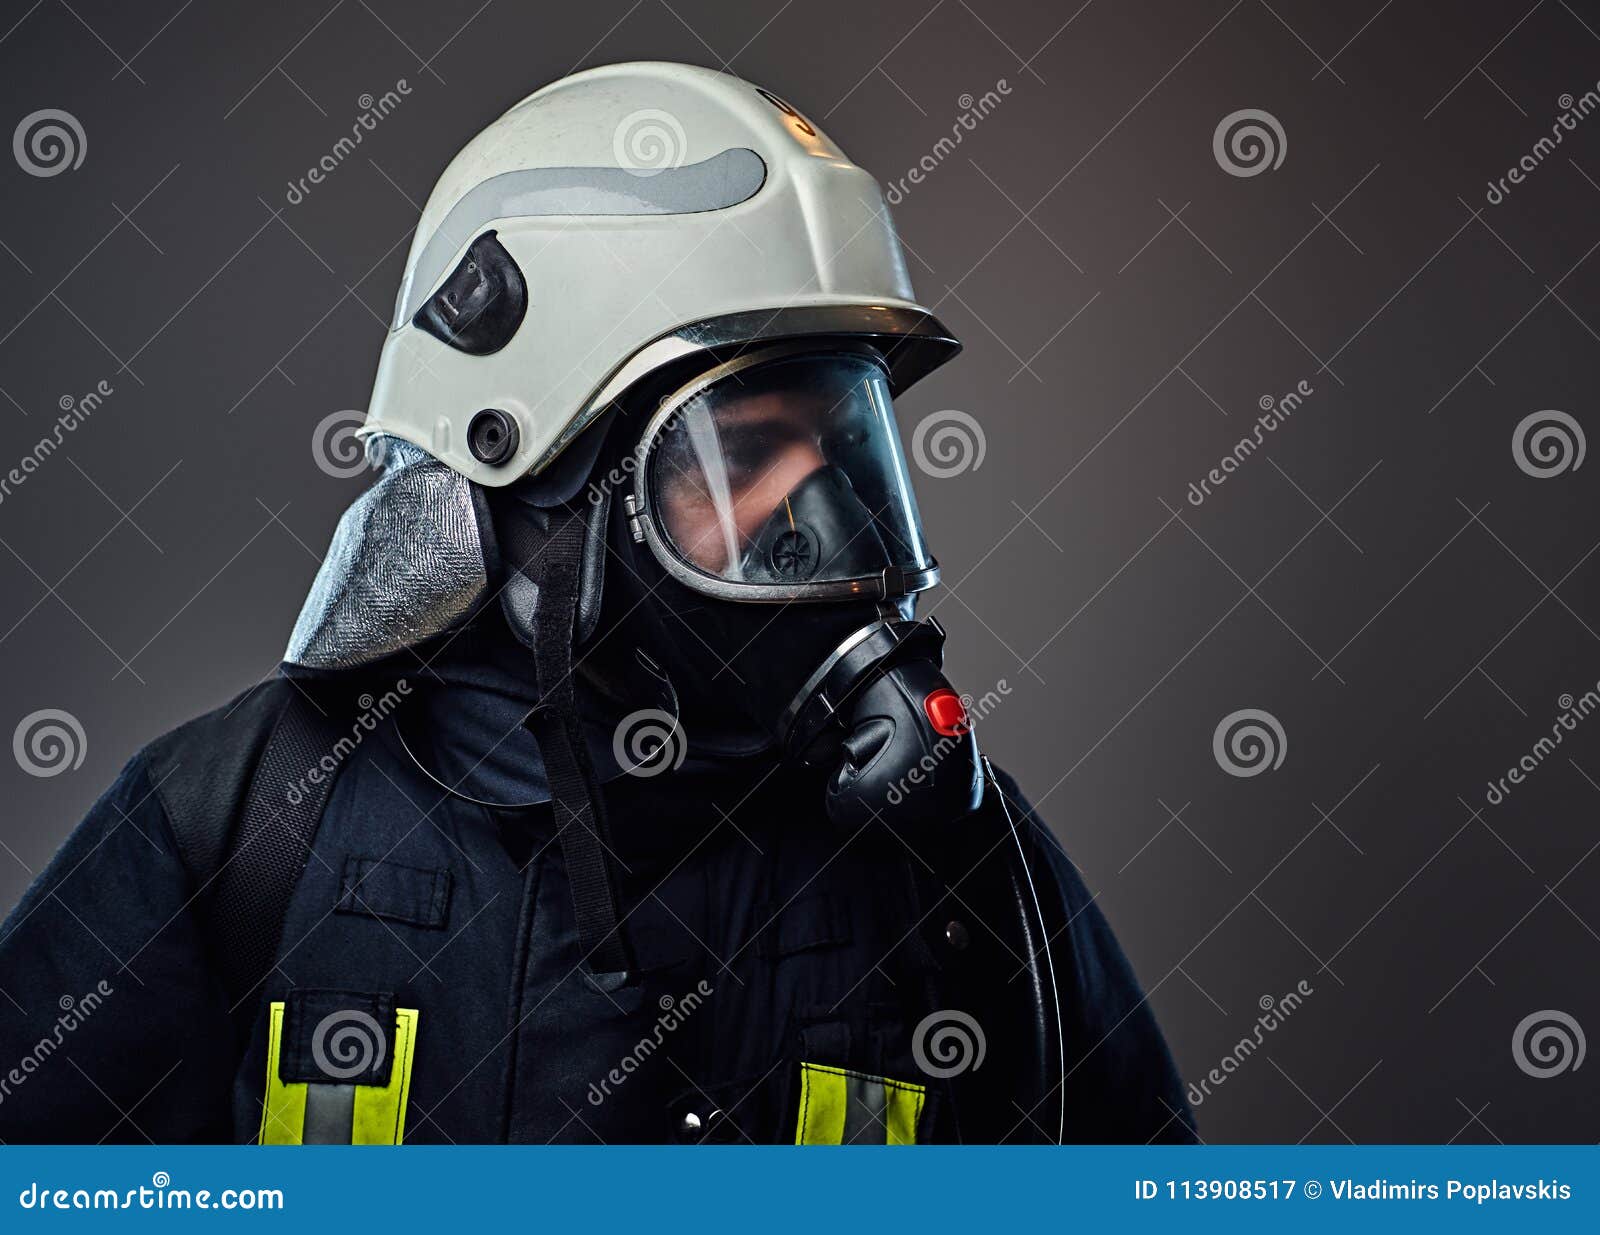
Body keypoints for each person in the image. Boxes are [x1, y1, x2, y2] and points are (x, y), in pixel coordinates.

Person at [0, 62, 1193, 1145]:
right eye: (745, 449)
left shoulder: (945, 856)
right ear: (541, 487)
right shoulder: (245, 825)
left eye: (843, 446)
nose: (819, 516)